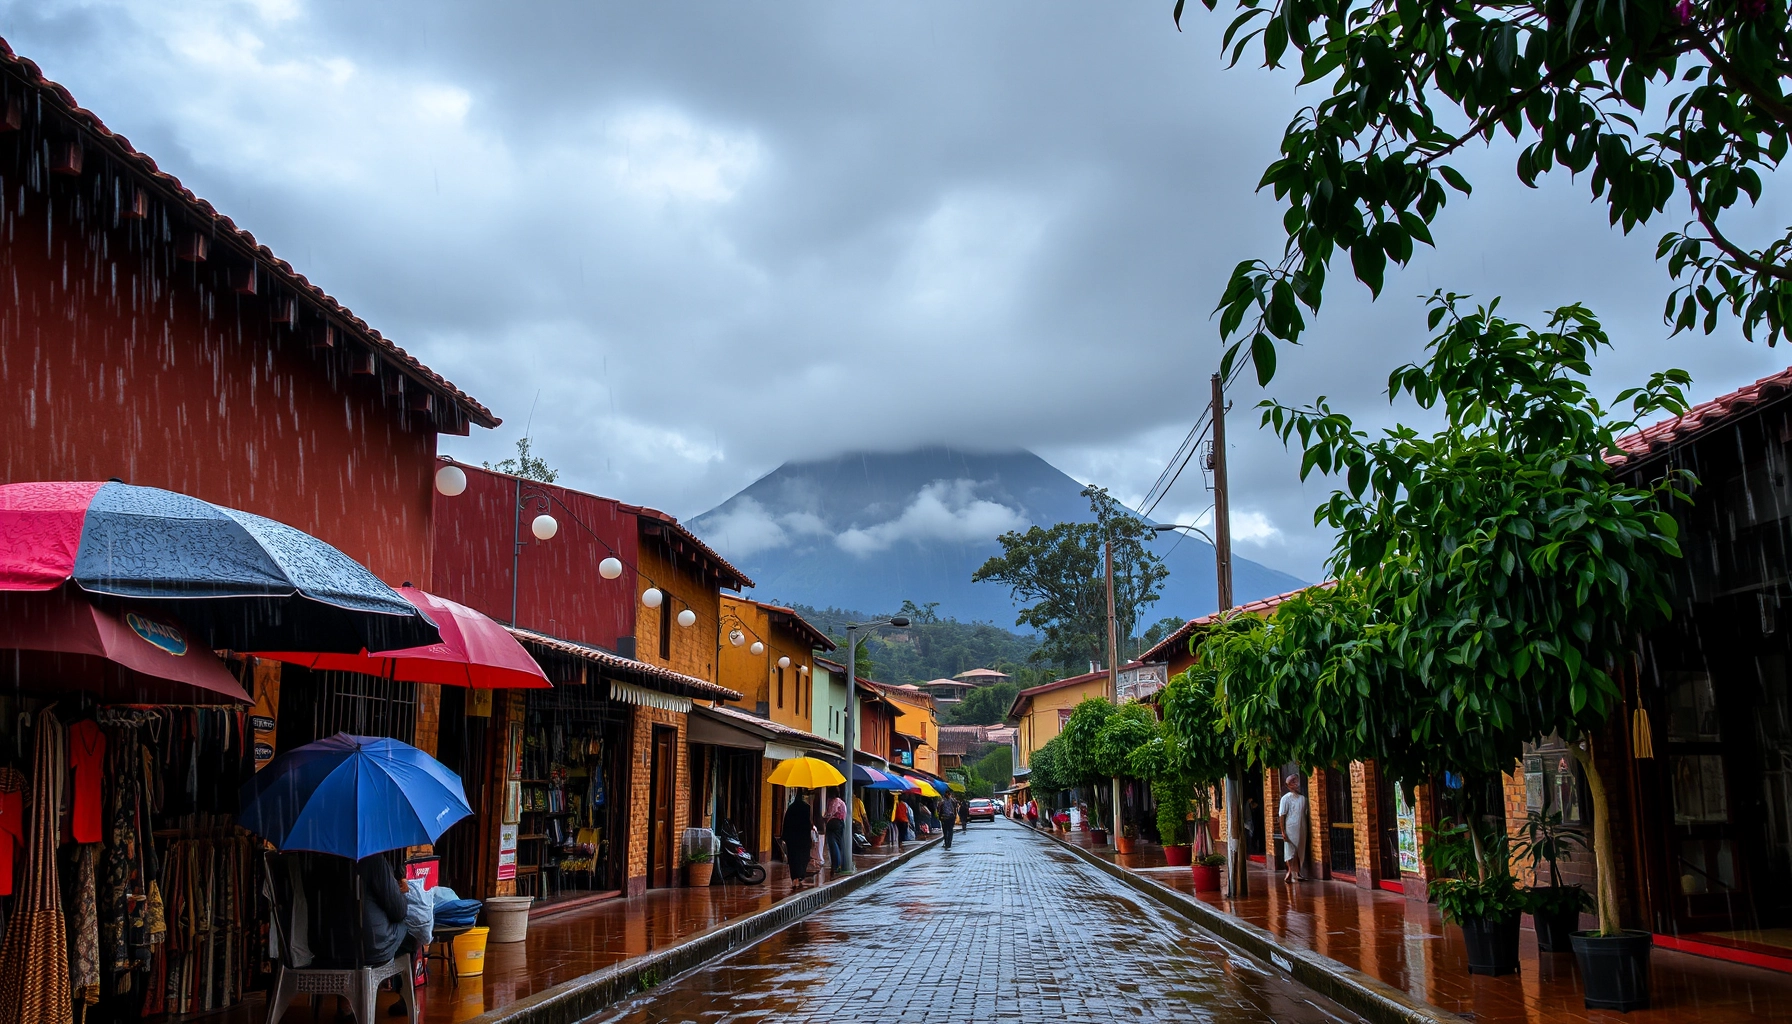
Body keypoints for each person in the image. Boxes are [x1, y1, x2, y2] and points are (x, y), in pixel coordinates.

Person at [1278, 774, 1309, 883]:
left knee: (1300, 849)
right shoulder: (1285, 798)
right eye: (1292, 782)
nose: (1295, 784)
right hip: (1290, 827)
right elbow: (1282, 815)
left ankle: (1297, 872)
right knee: (1290, 850)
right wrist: (1283, 831)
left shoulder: (1303, 799)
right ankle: (1290, 871)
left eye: (1296, 781)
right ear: (1288, 785)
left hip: (1301, 827)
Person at [783, 791, 816, 889]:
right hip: (803, 837)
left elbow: (786, 823)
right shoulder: (807, 808)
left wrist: (785, 837)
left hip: (792, 838)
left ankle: (795, 878)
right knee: (803, 857)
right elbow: (808, 822)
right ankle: (800, 875)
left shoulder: (791, 808)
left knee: (793, 858)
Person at [824, 791, 848, 870]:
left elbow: (831, 812)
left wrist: (825, 818)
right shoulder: (842, 802)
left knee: (833, 844)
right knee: (838, 843)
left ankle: (836, 865)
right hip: (840, 823)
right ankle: (838, 864)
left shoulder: (835, 801)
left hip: (833, 823)